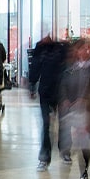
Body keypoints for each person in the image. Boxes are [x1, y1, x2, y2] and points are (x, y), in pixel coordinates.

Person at [59, 37, 90, 179]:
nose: (84, 51)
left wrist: (86, 99)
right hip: (73, 111)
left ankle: (84, 172)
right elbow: (63, 85)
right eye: (82, 48)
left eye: (88, 48)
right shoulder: (71, 68)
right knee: (76, 140)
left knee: (84, 144)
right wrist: (65, 99)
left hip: (88, 112)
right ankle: (69, 154)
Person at [29, 34, 66, 170]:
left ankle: (63, 150)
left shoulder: (61, 49)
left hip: (59, 91)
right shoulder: (41, 49)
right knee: (46, 124)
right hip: (46, 92)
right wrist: (32, 85)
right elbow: (35, 67)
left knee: (62, 122)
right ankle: (45, 157)